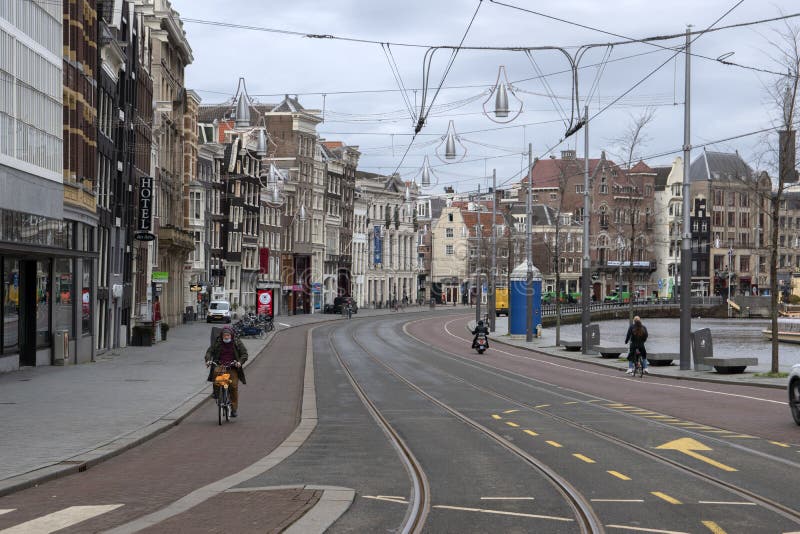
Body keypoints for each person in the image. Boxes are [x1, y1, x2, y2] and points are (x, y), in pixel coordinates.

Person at [205, 326, 248, 417]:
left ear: (231, 335)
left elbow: (244, 354)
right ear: (222, 336)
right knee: (216, 374)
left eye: (228, 335)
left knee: (233, 386)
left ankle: (233, 409)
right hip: (220, 365)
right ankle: (216, 393)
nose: (226, 337)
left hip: (232, 366)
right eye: (224, 335)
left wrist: (240, 362)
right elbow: (209, 352)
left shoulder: (237, 342)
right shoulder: (218, 342)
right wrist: (208, 360)